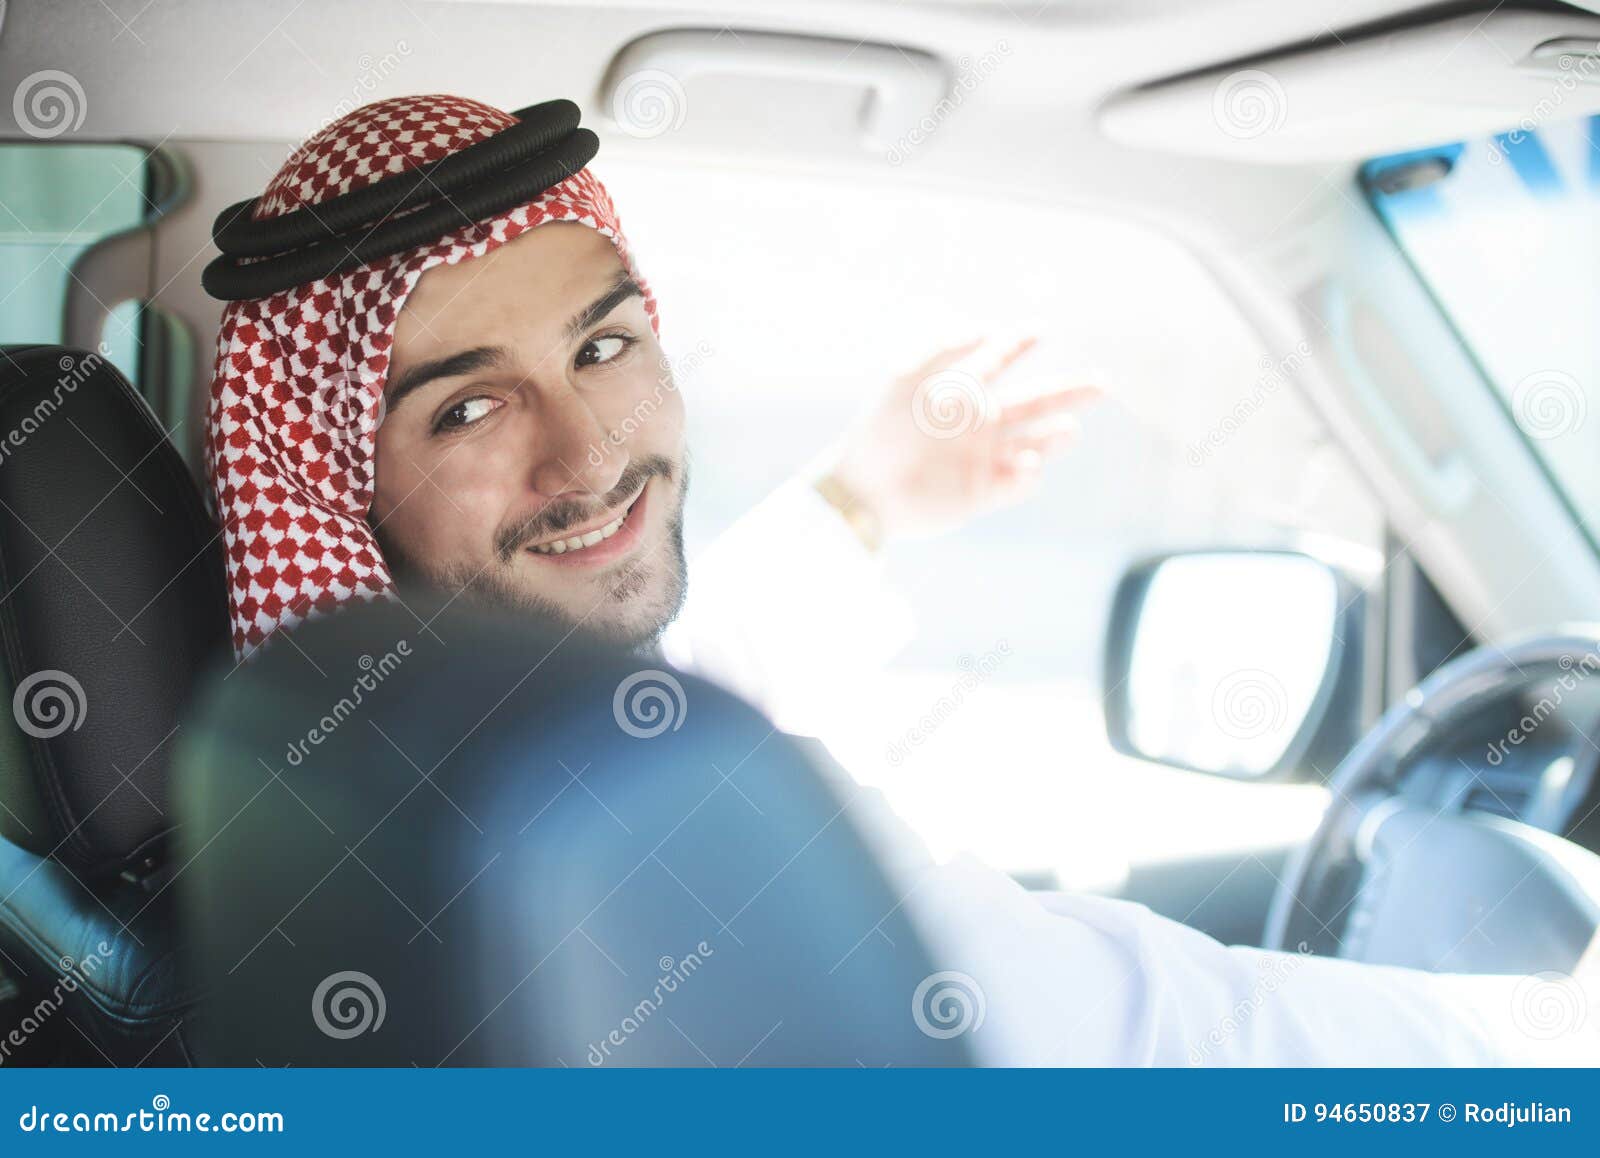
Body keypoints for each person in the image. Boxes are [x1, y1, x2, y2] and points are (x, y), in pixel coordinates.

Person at [205, 92, 1599, 1066]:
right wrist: (1547, 1043)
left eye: (606, 346)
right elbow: (1163, 1049)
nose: (592, 453)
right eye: (466, 409)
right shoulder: (631, 889)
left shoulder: (386, 803)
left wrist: (863, 499)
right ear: (331, 482)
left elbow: (649, 710)